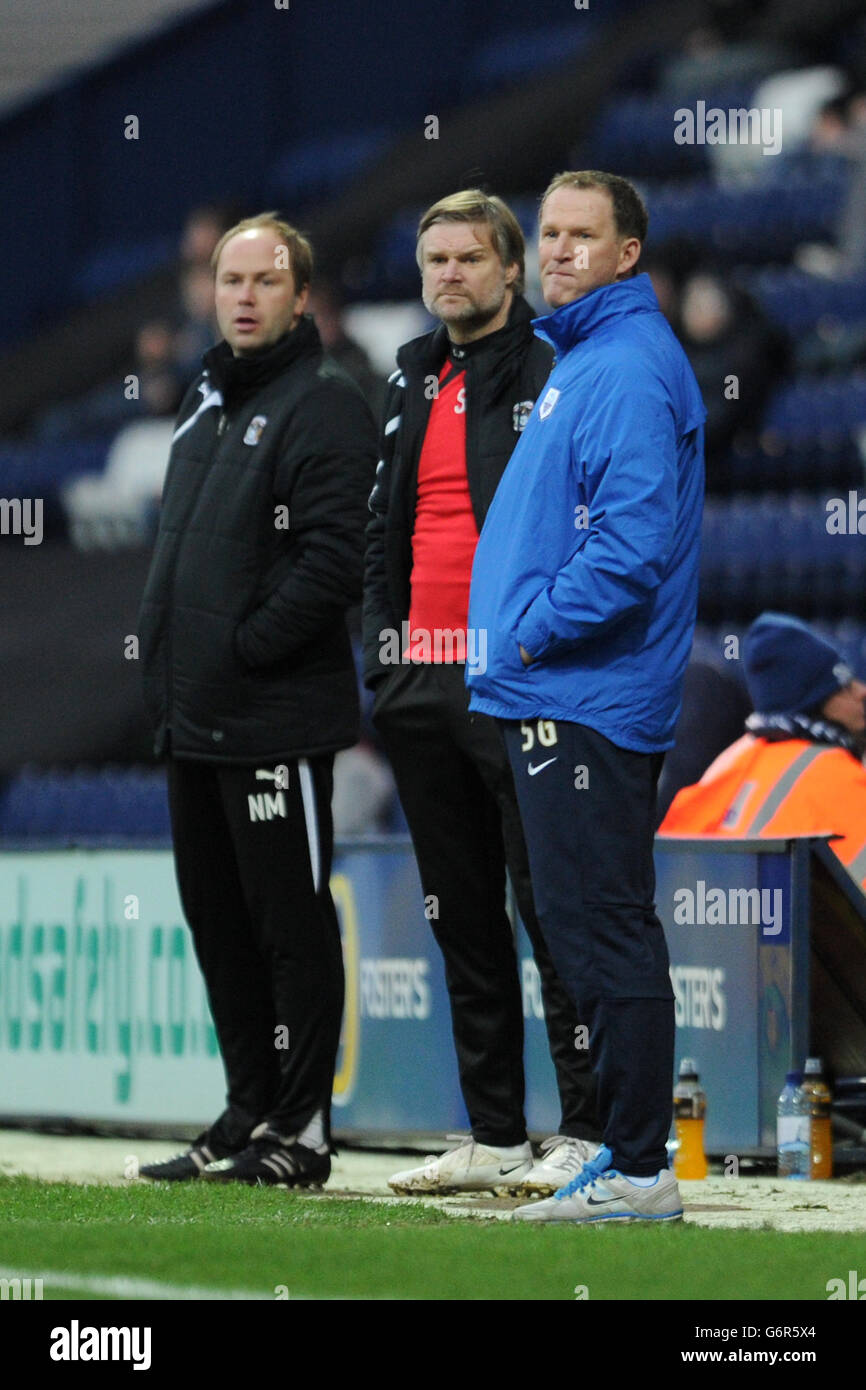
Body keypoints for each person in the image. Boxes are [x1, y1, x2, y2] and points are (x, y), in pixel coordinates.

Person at [467, 170, 706, 1223]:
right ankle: (622, 1151)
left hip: (586, 693)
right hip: (562, 689)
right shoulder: (588, 357)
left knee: (599, 926)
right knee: (580, 926)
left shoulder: (619, 368)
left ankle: (640, 1164)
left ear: (627, 255)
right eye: (547, 233)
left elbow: (629, 548)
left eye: (580, 236)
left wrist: (526, 626)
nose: (556, 250)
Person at [363, 189, 601, 1196]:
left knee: (550, 909)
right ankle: (495, 1132)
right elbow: (383, 532)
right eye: (434, 261)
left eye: (467, 259)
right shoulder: (410, 381)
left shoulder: (553, 372)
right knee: (459, 914)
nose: (448, 276)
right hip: (421, 679)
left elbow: (582, 524)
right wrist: (384, 659)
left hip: (514, 682)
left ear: (510, 270)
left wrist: (535, 650)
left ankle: (588, 1131)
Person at [137, 212, 377, 1185]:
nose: (240, 296)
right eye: (228, 281)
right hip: (194, 717)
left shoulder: (325, 401)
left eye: (262, 282)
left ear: (298, 295)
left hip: (273, 716)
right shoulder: (206, 392)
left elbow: (333, 561)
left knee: (289, 921)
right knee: (219, 920)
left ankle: (301, 1127)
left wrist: (244, 648)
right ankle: (244, 1109)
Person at [660, 612, 866, 892]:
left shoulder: (732, 758)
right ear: (817, 702)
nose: (860, 692)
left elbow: (668, 872)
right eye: (843, 685)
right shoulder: (837, 772)